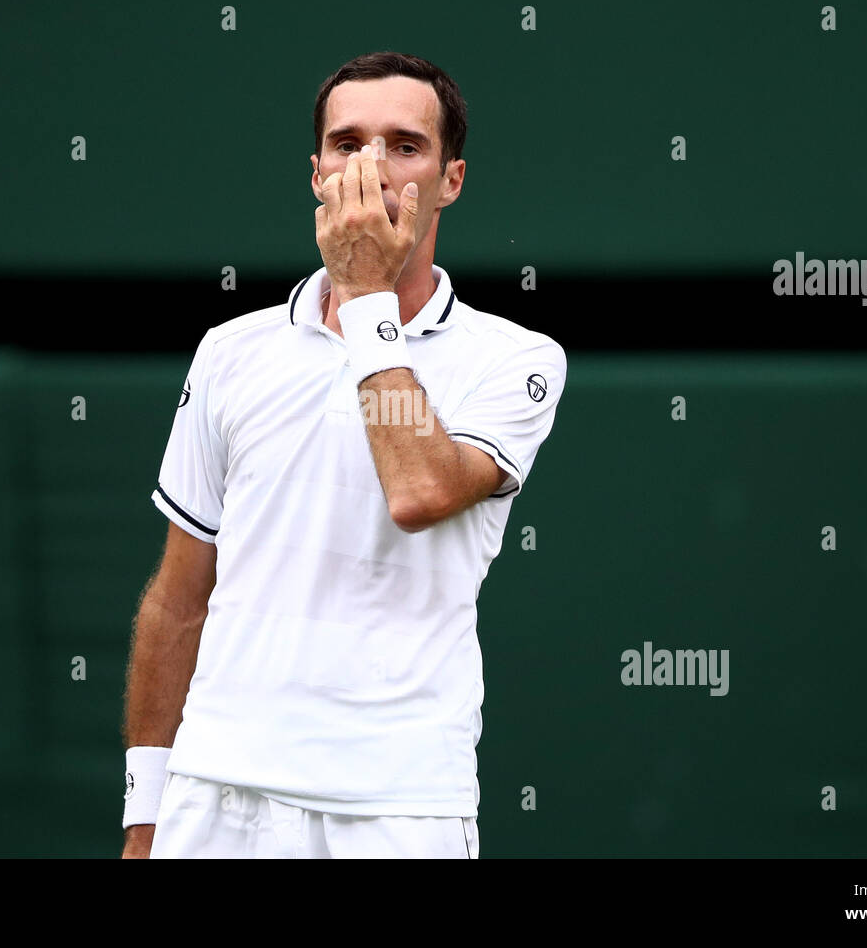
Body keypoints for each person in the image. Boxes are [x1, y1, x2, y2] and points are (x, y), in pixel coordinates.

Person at [121, 51, 566, 858]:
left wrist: (364, 298)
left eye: (404, 145)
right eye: (347, 144)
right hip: (213, 795)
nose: (372, 167)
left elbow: (420, 489)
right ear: (318, 174)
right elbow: (178, 600)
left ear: (451, 180)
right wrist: (146, 819)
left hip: (398, 807)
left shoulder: (519, 360)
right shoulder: (229, 351)